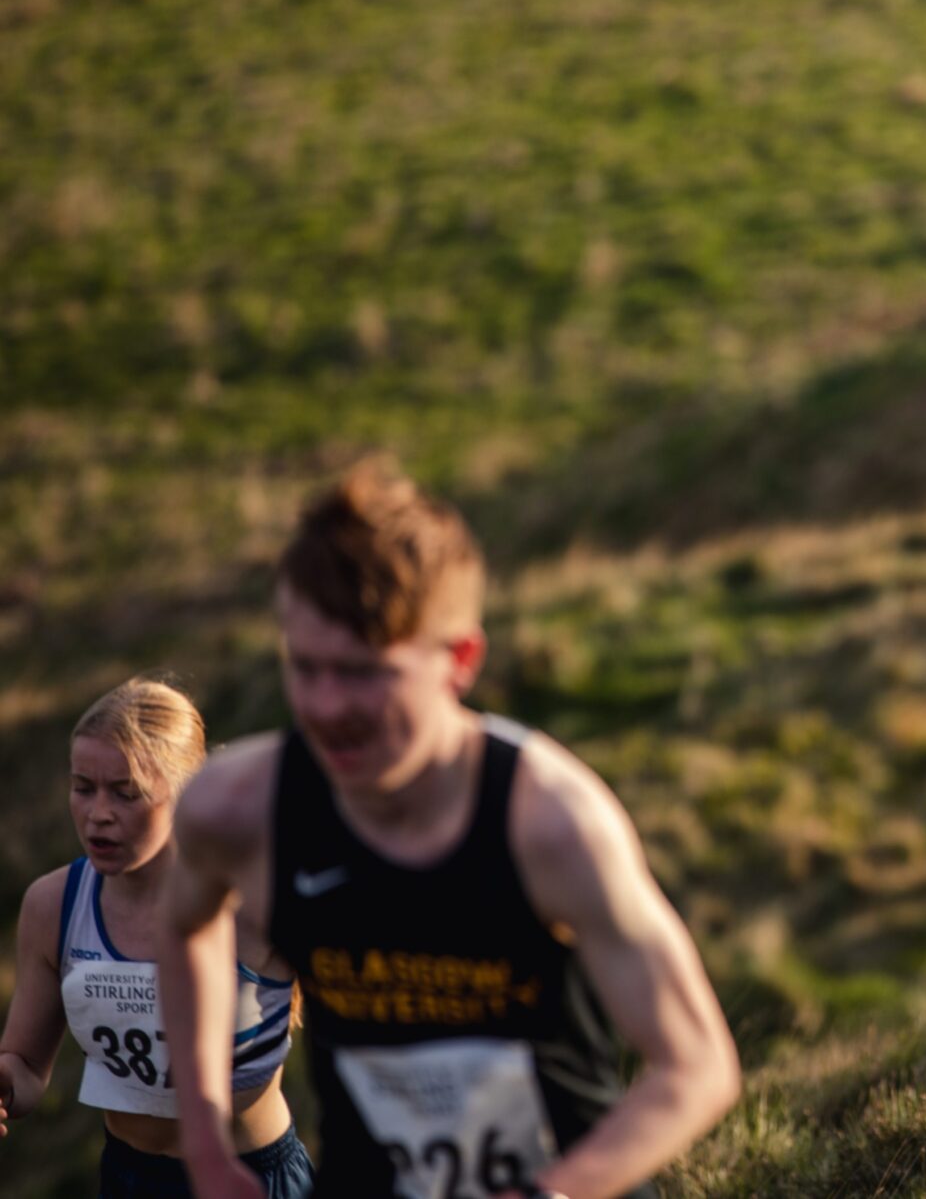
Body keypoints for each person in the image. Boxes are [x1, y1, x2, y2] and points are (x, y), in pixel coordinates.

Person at [158, 461, 741, 1199]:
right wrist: (207, 1147)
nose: (328, 706)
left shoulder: (553, 820)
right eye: (304, 667)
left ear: (460, 659)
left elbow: (697, 1065)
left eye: (364, 672)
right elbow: (184, 927)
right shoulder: (237, 806)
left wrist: (551, 1192)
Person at [0, 679, 314, 1198]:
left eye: (128, 794)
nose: (99, 813)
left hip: (253, 1177)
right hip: (131, 1179)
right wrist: (7, 1085)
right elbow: (27, 1068)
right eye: (83, 787)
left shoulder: (256, 899)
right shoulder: (52, 904)